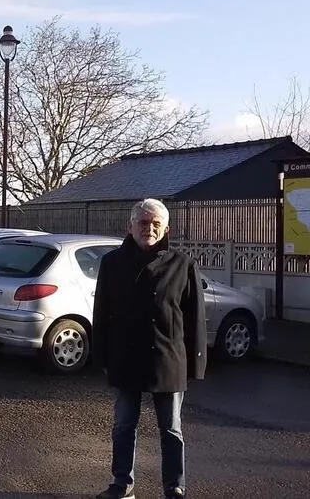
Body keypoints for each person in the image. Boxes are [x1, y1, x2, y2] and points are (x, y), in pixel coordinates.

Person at [91, 198, 207, 499]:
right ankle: (121, 483)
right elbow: (101, 311)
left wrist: (196, 363)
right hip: (125, 355)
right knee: (123, 425)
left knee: (171, 430)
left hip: (167, 358)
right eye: (143, 222)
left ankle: (174, 486)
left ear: (166, 228)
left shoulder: (183, 265)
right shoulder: (112, 263)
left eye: (156, 223)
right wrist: (100, 354)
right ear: (130, 226)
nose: (149, 228)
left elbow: (194, 318)